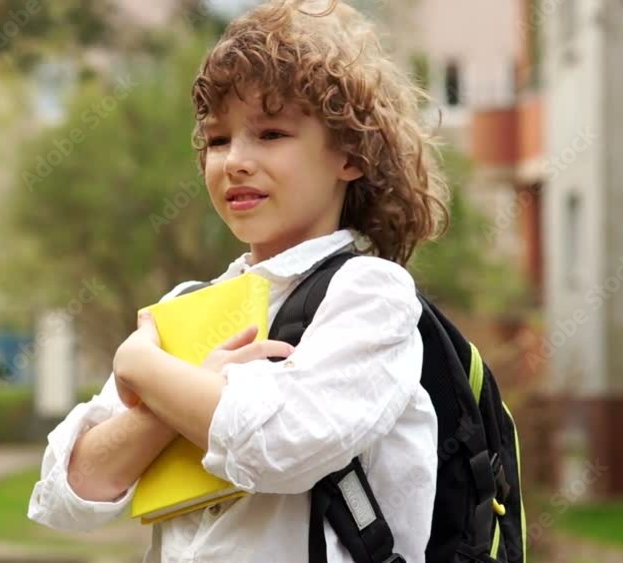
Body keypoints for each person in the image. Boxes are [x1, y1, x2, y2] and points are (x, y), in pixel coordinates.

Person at [28, 0, 450, 561]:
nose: (235, 162)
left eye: (271, 134)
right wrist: (171, 400)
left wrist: (143, 367)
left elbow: (280, 446)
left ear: (350, 156)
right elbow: (68, 493)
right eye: (219, 139)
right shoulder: (187, 305)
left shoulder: (370, 293)